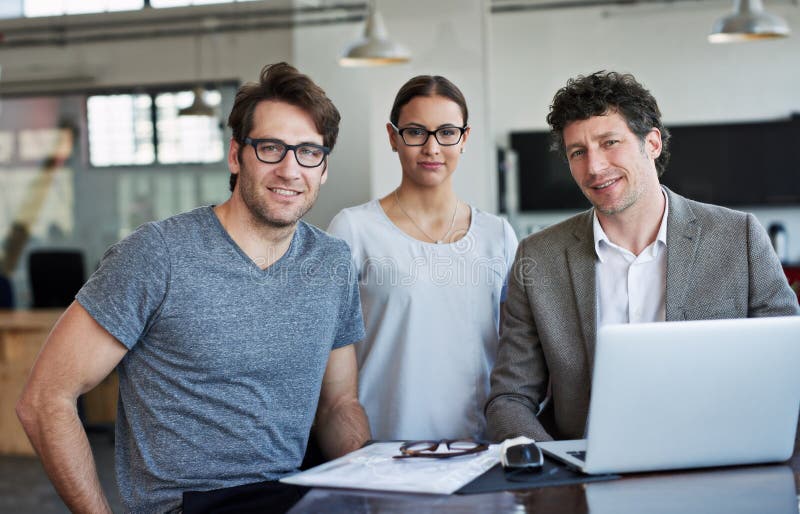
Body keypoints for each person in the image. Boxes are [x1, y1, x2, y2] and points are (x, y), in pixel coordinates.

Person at [16, 62, 370, 513]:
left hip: (291, 498)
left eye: (308, 152)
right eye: (270, 148)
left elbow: (338, 404)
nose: (289, 169)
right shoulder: (157, 254)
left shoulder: (331, 262)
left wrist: (378, 481)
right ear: (236, 155)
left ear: (324, 168)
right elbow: (45, 400)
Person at [486, 71, 800, 443]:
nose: (594, 167)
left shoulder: (738, 238)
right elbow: (509, 398)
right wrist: (550, 464)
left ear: (651, 143)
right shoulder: (539, 257)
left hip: (719, 457)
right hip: (586, 468)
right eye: (578, 152)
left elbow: (789, 365)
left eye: (610, 142)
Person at [328, 75, 518, 441]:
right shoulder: (353, 230)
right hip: (383, 449)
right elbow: (332, 371)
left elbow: (515, 356)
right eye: (416, 132)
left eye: (447, 132)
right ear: (393, 137)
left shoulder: (497, 235)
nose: (432, 148)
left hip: (479, 450)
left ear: (464, 138)